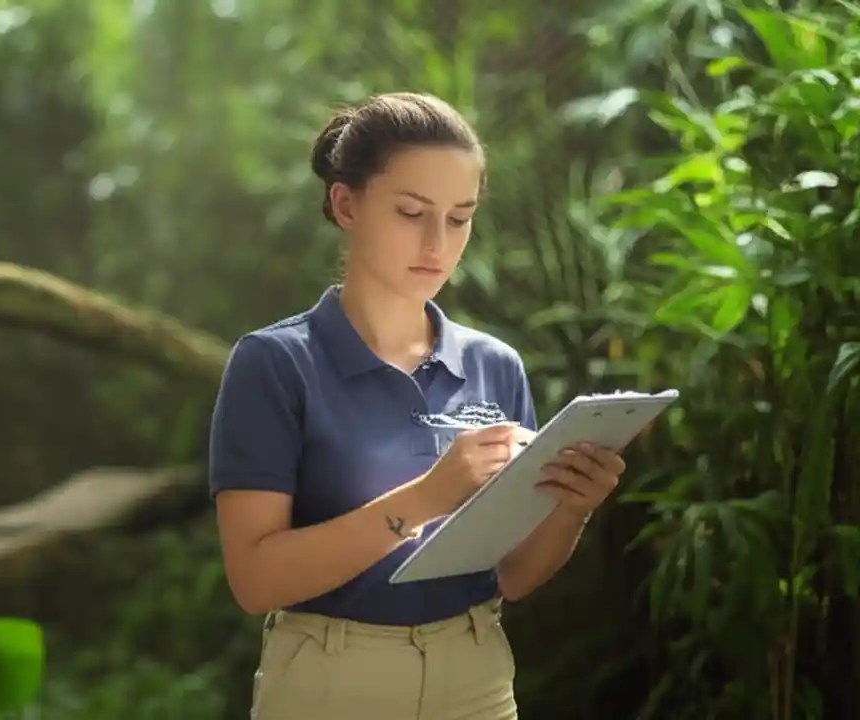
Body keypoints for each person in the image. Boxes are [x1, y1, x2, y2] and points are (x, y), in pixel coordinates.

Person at [207, 91, 628, 720]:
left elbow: (514, 576)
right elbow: (255, 581)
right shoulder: (275, 364)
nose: (437, 243)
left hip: (476, 676)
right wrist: (429, 497)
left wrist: (573, 507)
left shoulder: (495, 366)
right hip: (331, 681)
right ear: (345, 204)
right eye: (411, 212)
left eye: (460, 218)